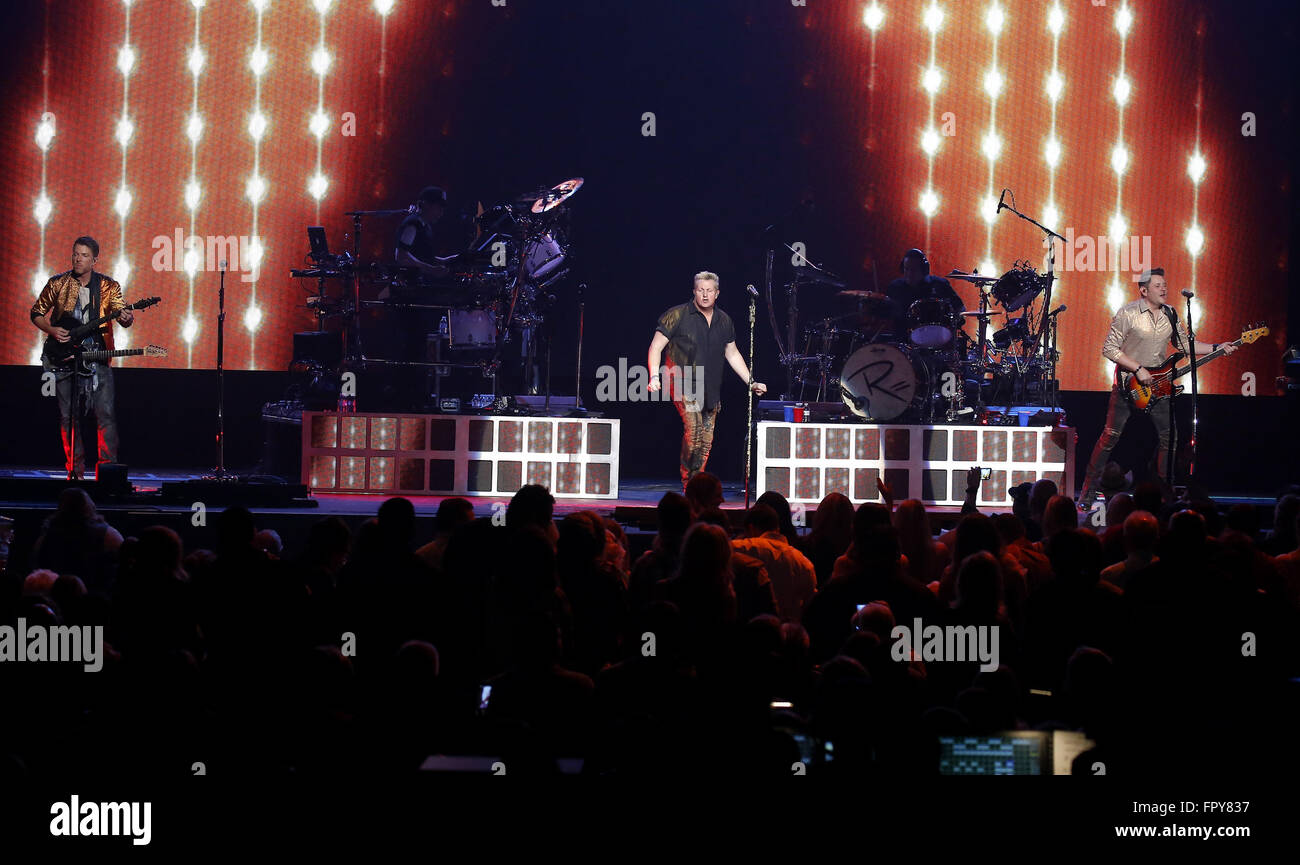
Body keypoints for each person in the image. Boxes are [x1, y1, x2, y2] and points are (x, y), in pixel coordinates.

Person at [1076, 268, 1237, 505]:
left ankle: (1164, 495)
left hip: (1159, 386)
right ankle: (1087, 493)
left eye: (1165, 285)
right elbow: (1109, 348)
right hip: (1127, 385)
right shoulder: (1128, 313)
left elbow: (1185, 345)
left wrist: (1217, 347)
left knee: (1169, 438)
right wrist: (1137, 368)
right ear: (1144, 290)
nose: (1164, 289)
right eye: (1158, 285)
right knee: (1110, 437)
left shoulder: (1171, 314)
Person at [647, 271, 766, 487]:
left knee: (706, 440)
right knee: (694, 432)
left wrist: (752, 382)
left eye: (709, 291)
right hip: (681, 382)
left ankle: (696, 482)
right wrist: (654, 376)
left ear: (717, 293)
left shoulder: (724, 320)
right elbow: (656, 347)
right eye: (700, 290)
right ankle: (689, 482)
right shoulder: (676, 315)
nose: (704, 295)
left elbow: (732, 353)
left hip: (711, 387)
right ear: (694, 291)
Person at [31, 236, 135, 479]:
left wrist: (126, 318)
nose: (78, 259)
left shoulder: (109, 287)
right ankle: (74, 471)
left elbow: (122, 315)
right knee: (69, 416)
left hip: (98, 357)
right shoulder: (57, 283)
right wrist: (51, 330)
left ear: (94, 260)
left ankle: (107, 473)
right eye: (75, 254)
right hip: (65, 358)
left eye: (84, 255)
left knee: (105, 414)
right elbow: (36, 313)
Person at [883, 248, 964, 343]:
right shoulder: (895, 287)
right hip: (902, 343)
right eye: (906, 269)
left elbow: (960, 308)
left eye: (913, 270)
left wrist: (953, 323)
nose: (909, 273)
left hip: (935, 342)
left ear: (924, 270)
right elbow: (884, 312)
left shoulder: (939, 285)